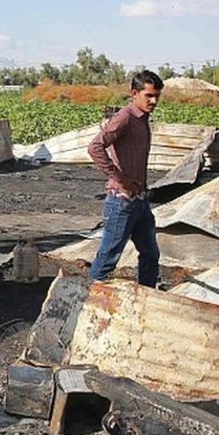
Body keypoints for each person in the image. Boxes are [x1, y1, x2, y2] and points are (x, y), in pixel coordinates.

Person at [86, 70, 163, 288]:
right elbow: (95, 147)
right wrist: (119, 178)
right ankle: (84, 299)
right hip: (122, 202)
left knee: (150, 254)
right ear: (134, 93)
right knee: (109, 256)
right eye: (148, 95)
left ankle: (146, 297)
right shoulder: (125, 118)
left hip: (139, 201)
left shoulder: (142, 119)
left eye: (156, 95)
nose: (154, 100)